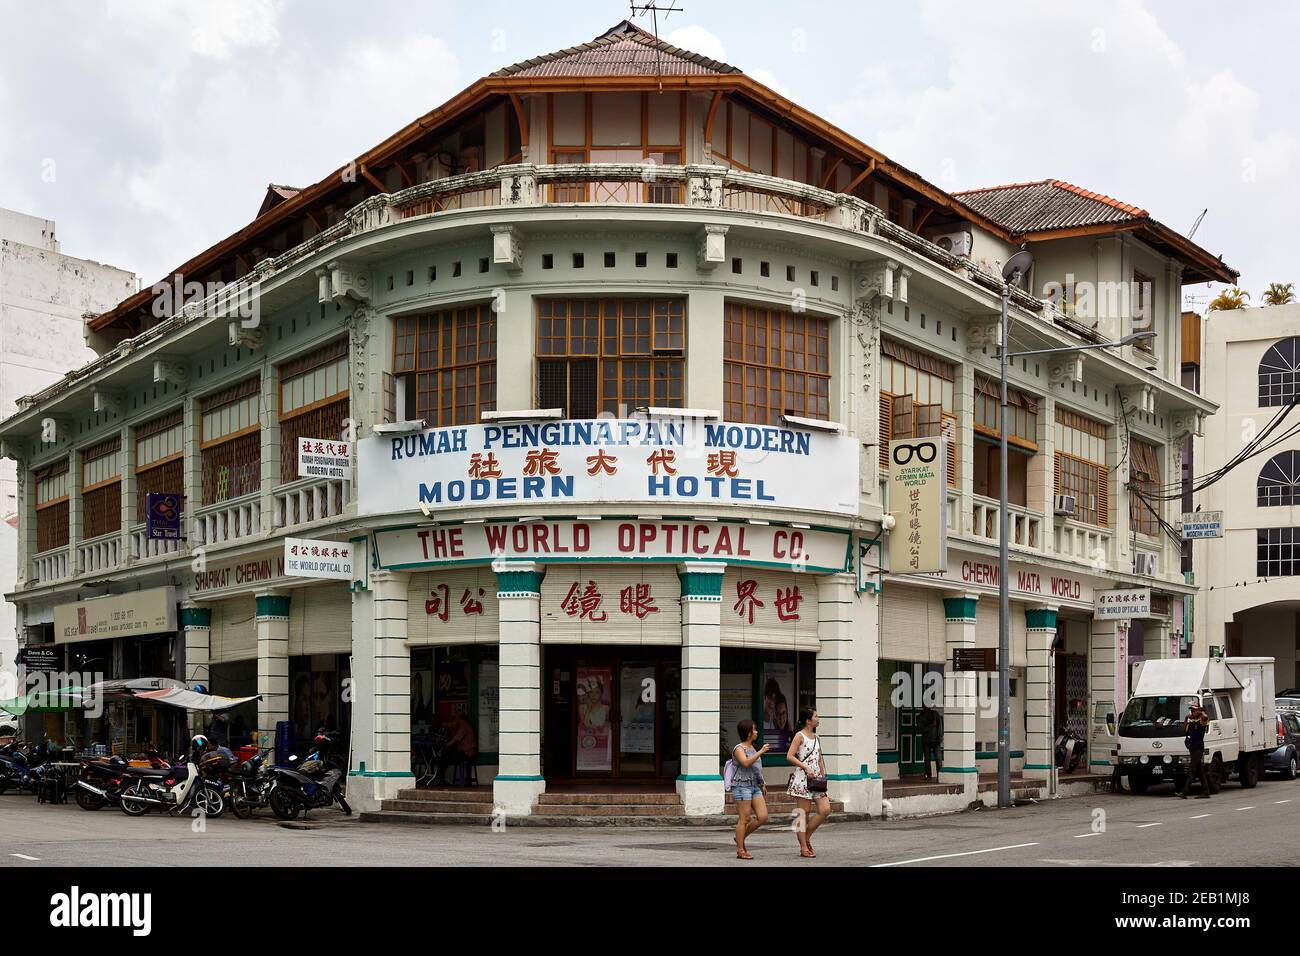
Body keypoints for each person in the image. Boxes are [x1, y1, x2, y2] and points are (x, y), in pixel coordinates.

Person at [786, 707, 832, 858]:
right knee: (802, 813)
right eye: (816, 716)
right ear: (808, 720)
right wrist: (805, 767)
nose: (818, 719)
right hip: (803, 778)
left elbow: (819, 759)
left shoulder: (816, 738)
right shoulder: (799, 736)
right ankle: (803, 847)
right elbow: (790, 756)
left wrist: (823, 777)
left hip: (817, 779)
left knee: (825, 809)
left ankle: (806, 837)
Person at [730, 719, 770, 860]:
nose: (757, 732)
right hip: (741, 786)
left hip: (754, 786)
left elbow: (757, 769)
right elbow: (746, 763)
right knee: (745, 818)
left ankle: (739, 837)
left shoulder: (753, 748)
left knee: (763, 816)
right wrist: (761, 751)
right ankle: (740, 849)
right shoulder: (739, 749)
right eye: (754, 729)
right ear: (748, 733)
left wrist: (762, 784)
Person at [1178, 699, 1212, 799]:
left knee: (1192, 770)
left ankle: (1184, 792)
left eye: (1194, 710)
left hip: (1198, 748)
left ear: (1199, 711)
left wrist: (1201, 711)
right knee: (1200, 771)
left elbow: (1206, 717)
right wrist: (1186, 718)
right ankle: (1206, 792)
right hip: (1192, 748)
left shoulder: (1202, 720)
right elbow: (1184, 730)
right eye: (1191, 710)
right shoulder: (1192, 721)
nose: (1192, 712)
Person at [437, 711, 478, 786]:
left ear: (460, 718)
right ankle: (440, 778)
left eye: (456, 717)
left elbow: (456, 739)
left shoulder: (463, 726)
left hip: (467, 753)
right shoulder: (462, 725)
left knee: (445, 754)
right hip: (465, 752)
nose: (454, 719)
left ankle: (440, 778)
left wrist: (446, 745)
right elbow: (449, 725)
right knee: (445, 755)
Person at [918, 703, 942, 779]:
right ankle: (928, 775)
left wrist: (940, 735)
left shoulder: (935, 714)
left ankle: (940, 774)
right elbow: (920, 729)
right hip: (926, 740)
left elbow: (940, 725)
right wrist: (931, 726)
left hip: (936, 739)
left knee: (938, 758)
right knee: (927, 759)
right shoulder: (920, 716)